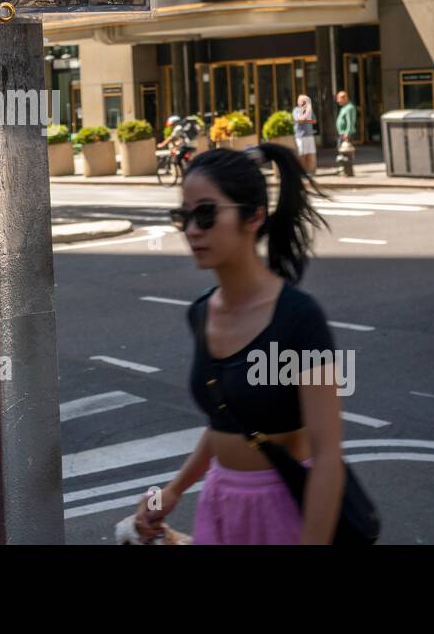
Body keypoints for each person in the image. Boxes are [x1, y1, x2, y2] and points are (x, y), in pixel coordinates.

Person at [133, 145, 344, 544]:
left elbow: (328, 454)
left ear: (254, 217)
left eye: (207, 214)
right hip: (221, 505)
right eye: (184, 216)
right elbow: (226, 422)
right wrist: (174, 490)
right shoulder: (199, 315)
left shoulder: (299, 319)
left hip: (284, 512)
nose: (193, 229)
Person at [293, 94, 318, 175]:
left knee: (311, 154)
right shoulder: (296, 110)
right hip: (301, 136)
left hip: (309, 135)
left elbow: (314, 121)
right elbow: (300, 120)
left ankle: (311, 171)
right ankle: (302, 172)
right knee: (302, 155)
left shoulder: (309, 110)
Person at [335, 90, 358, 177]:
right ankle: (343, 169)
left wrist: (347, 133)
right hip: (342, 133)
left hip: (346, 134)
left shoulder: (349, 108)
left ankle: (348, 170)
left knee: (346, 153)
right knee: (341, 152)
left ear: (345, 98)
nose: (338, 100)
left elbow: (350, 121)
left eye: (339, 98)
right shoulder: (344, 107)